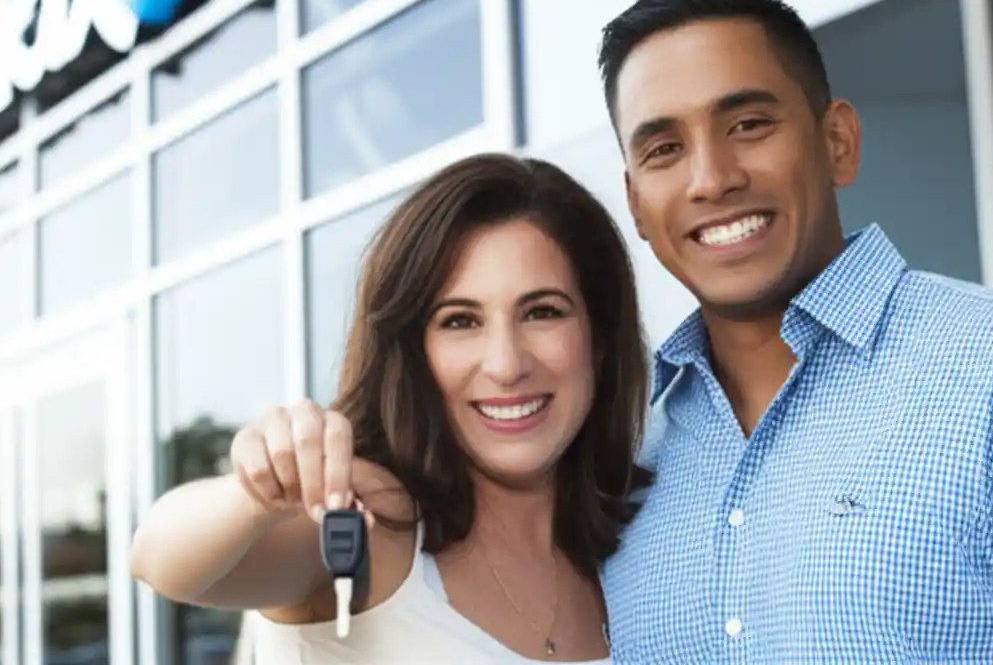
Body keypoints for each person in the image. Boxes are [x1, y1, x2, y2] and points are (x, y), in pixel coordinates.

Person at [594, 0, 993, 663]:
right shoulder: (622, 463)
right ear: (636, 203)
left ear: (837, 141)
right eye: (664, 149)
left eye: (748, 125)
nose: (712, 179)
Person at [130, 153, 652, 664]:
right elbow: (159, 559)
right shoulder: (373, 521)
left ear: (599, 340)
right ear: (412, 353)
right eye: (460, 321)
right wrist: (257, 492)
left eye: (542, 312)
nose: (506, 364)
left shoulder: (626, 559)